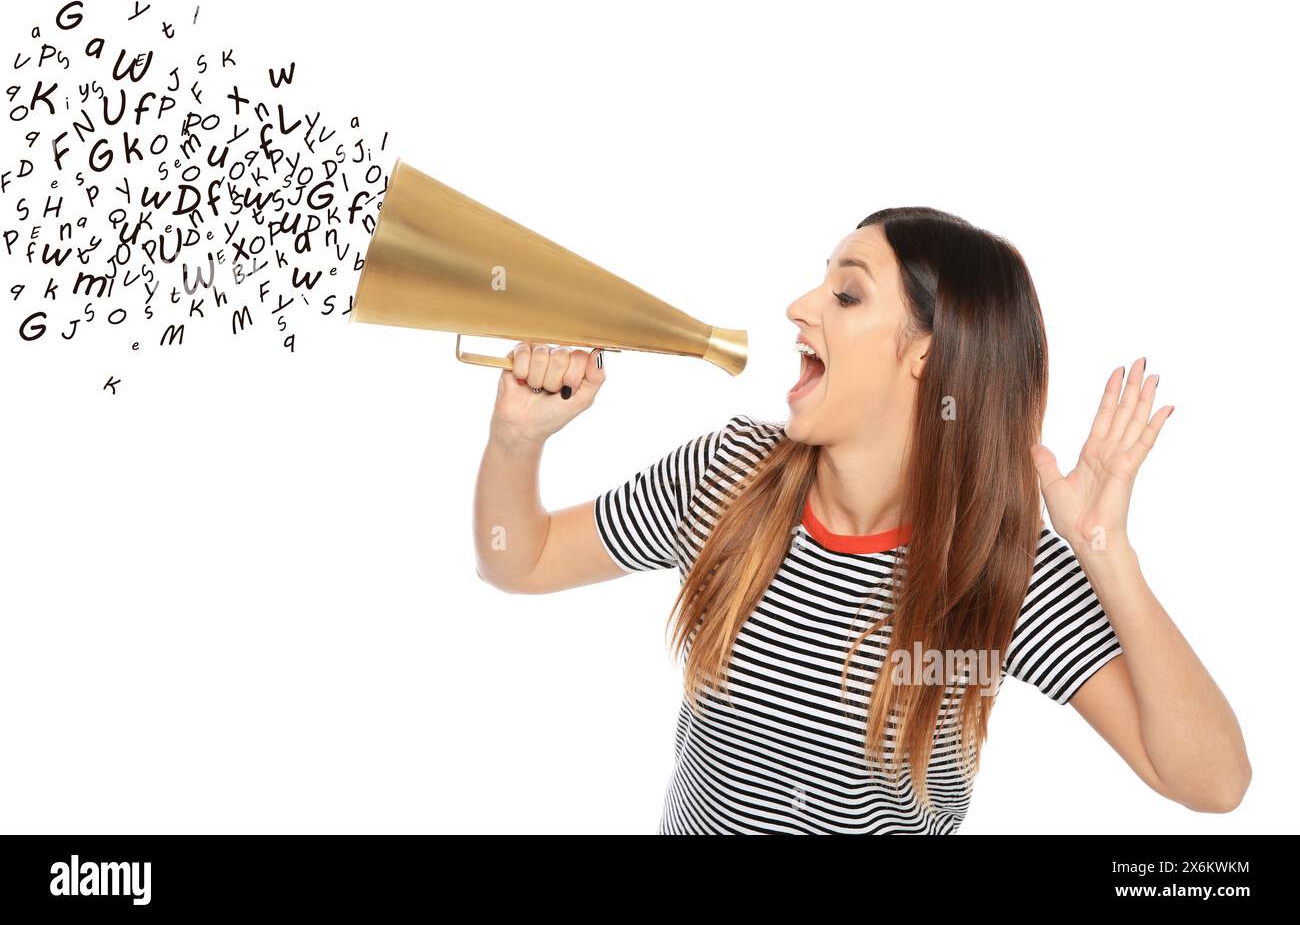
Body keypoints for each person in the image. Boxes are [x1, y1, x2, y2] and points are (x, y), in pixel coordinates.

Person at [472, 208, 1251, 834]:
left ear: (927, 357)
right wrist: (516, 436)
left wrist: (1104, 551)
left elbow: (1213, 783)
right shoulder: (727, 477)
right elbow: (519, 559)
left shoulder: (999, 570)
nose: (798, 309)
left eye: (846, 295)